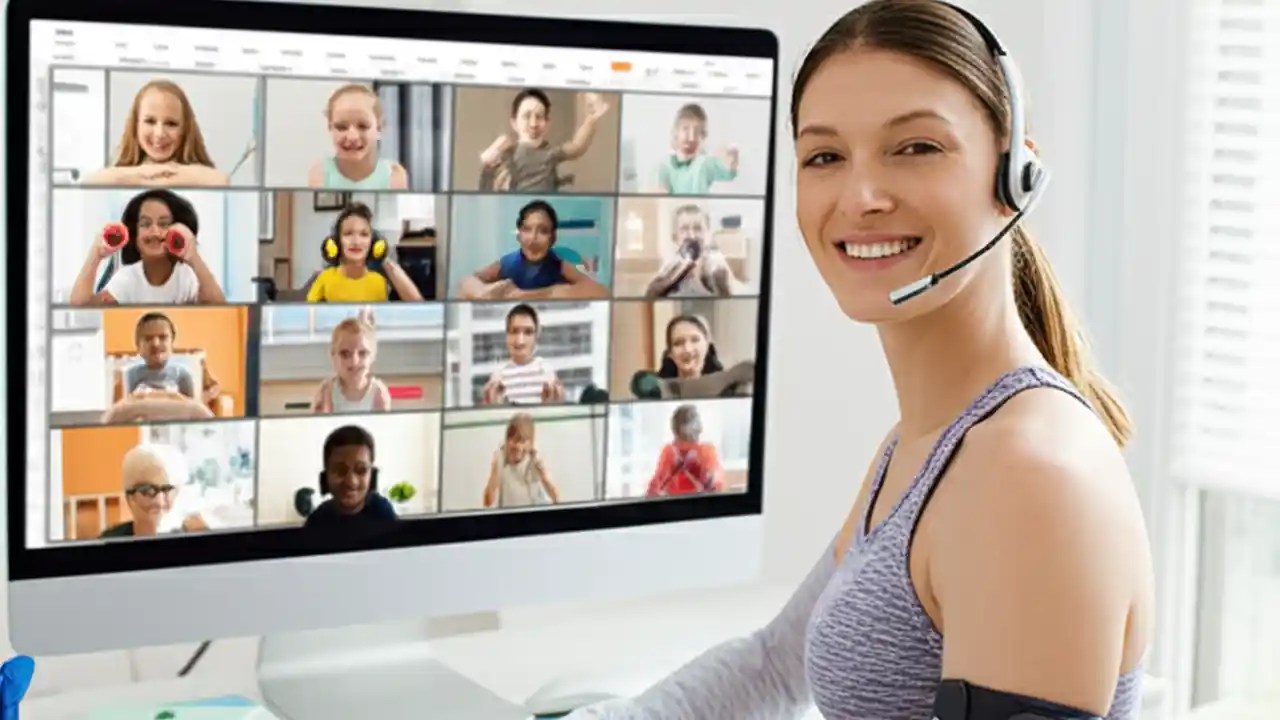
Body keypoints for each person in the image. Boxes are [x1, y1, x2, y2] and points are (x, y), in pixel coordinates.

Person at [568, 2, 1153, 719]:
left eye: (915, 148)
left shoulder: (1026, 476)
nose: (861, 197)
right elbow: (773, 668)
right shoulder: (925, 445)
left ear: (1015, 174)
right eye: (825, 157)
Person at [68, 189, 227, 306]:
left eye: (164, 224)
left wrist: (193, 256)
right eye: (145, 224)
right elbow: (80, 307)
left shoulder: (186, 277)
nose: (155, 232)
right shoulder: (128, 279)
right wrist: (95, 254)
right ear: (134, 235)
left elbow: (220, 307)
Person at [84, 79, 230, 187]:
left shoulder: (202, 175)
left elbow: (220, 180)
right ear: (136, 125)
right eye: (150, 121)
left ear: (185, 130)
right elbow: (90, 182)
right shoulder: (122, 174)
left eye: (171, 123)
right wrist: (142, 173)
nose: (160, 133)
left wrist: (157, 173)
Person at [457, 199, 609, 300]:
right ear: (519, 235)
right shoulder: (507, 264)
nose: (533, 238)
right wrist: (483, 292)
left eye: (542, 231)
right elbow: (467, 281)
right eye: (527, 229)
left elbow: (601, 292)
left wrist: (549, 293)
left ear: (553, 238)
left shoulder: (560, 266)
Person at [478, 89, 611, 192]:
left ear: (547, 123)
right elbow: (486, 190)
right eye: (526, 116)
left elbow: (577, 146)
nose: (533, 123)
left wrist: (592, 118)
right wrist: (489, 161)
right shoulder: (506, 154)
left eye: (539, 116)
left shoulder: (551, 153)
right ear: (514, 122)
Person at [306, 202, 422, 302]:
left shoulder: (379, 281)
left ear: (373, 243)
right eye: (348, 233)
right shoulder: (327, 276)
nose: (356, 241)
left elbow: (418, 304)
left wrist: (383, 257)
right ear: (336, 243)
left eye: (364, 234)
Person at [308, 84, 409, 190]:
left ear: (379, 128)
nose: (352, 137)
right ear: (330, 127)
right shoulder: (320, 173)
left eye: (363, 126)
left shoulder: (394, 175)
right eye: (342, 127)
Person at [100, 443, 205, 538]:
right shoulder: (109, 542)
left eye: (167, 489)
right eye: (147, 490)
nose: (159, 502)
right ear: (129, 498)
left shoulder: (194, 539)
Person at [305, 425, 398, 531]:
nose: (351, 482)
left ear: (372, 475)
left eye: (361, 470)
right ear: (325, 476)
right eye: (340, 471)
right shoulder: (317, 522)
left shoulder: (383, 512)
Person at [644, 204, 743, 297]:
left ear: (707, 235)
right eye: (684, 229)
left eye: (698, 228)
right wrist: (680, 271)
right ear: (675, 237)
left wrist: (717, 279)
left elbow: (729, 296)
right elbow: (650, 294)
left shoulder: (716, 262)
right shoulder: (670, 265)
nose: (692, 235)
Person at [480, 304, 565, 405]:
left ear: (536, 336)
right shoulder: (498, 376)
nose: (520, 341)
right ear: (507, 335)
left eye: (528, 332)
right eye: (514, 331)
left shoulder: (547, 372)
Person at [311, 315, 392, 413]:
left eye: (362, 353)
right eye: (345, 354)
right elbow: (319, 425)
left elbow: (382, 426)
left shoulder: (378, 392)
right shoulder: (326, 390)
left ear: (373, 356)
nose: (354, 362)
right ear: (333, 356)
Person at [656, 102, 739, 195]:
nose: (691, 138)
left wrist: (731, 158)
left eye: (696, 131)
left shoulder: (705, 162)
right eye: (685, 129)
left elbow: (728, 171)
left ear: (703, 135)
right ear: (676, 132)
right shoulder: (665, 165)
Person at [482, 413, 560, 508]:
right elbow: (487, 502)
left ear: (530, 443)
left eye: (522, 441)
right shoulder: (500, 458)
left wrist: (544, 476)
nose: (517, 446)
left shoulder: (535, 459)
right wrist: (494, 472)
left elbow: (556, 498)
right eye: (513, 440)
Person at [644, 404, 723, 497]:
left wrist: (701, 473)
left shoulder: (707, 450)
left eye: (698, 421)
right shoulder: (669, 451)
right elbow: (658, 481)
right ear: (680, 427)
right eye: (693, 421)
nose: (699, 427)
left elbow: (715, 483)